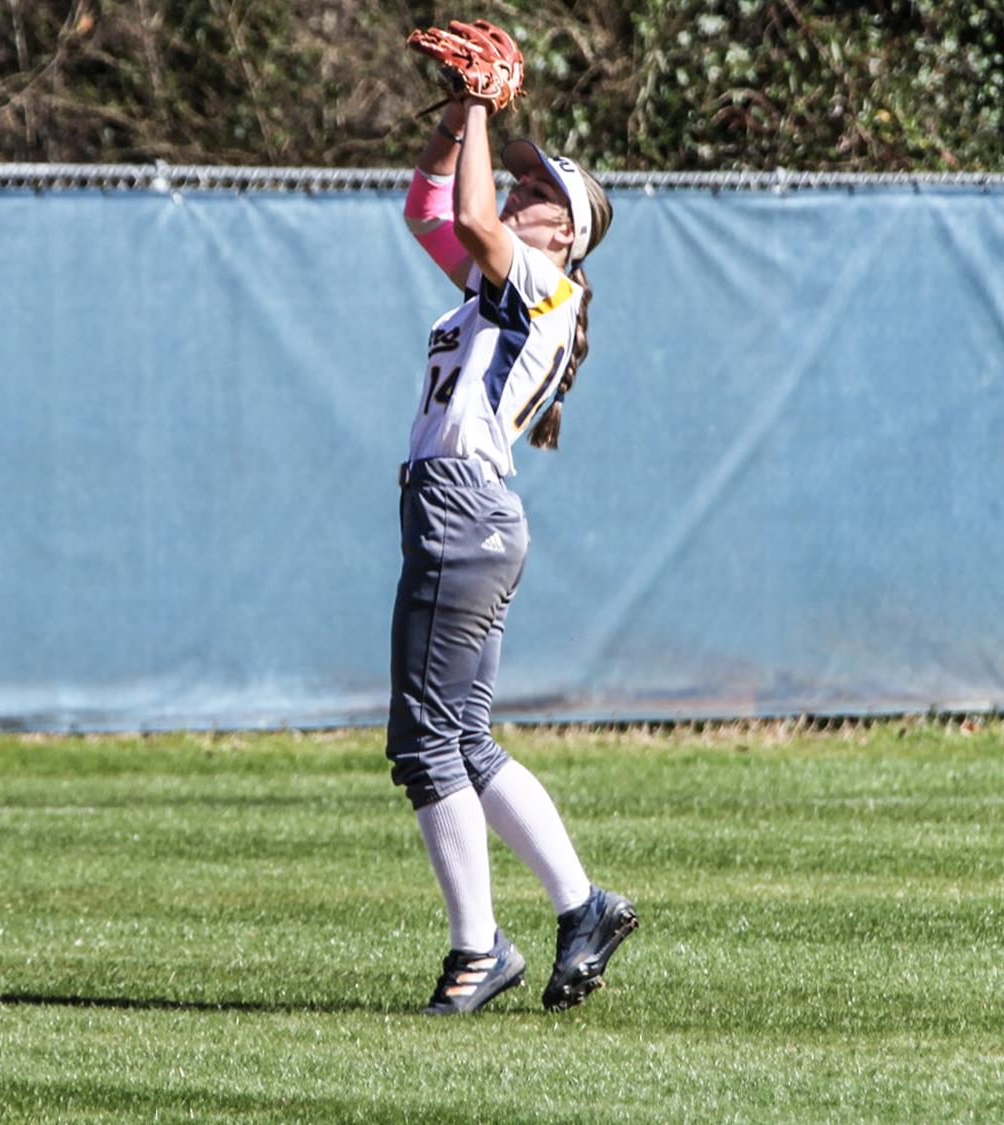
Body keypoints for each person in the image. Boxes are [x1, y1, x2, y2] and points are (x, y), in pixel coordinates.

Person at [389, 87, 638, 1015]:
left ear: (565, 232)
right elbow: (429, 206)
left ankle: (478, 948)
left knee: (424, 742)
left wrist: (487, 109)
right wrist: (459, 113)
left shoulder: (540, 280)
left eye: (535, 187)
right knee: (462, 738)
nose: (514, 186)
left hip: (461, 510)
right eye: (517, 176)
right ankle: (584, 907)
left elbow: (467, 210)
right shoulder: (507, 282)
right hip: (473, 514)